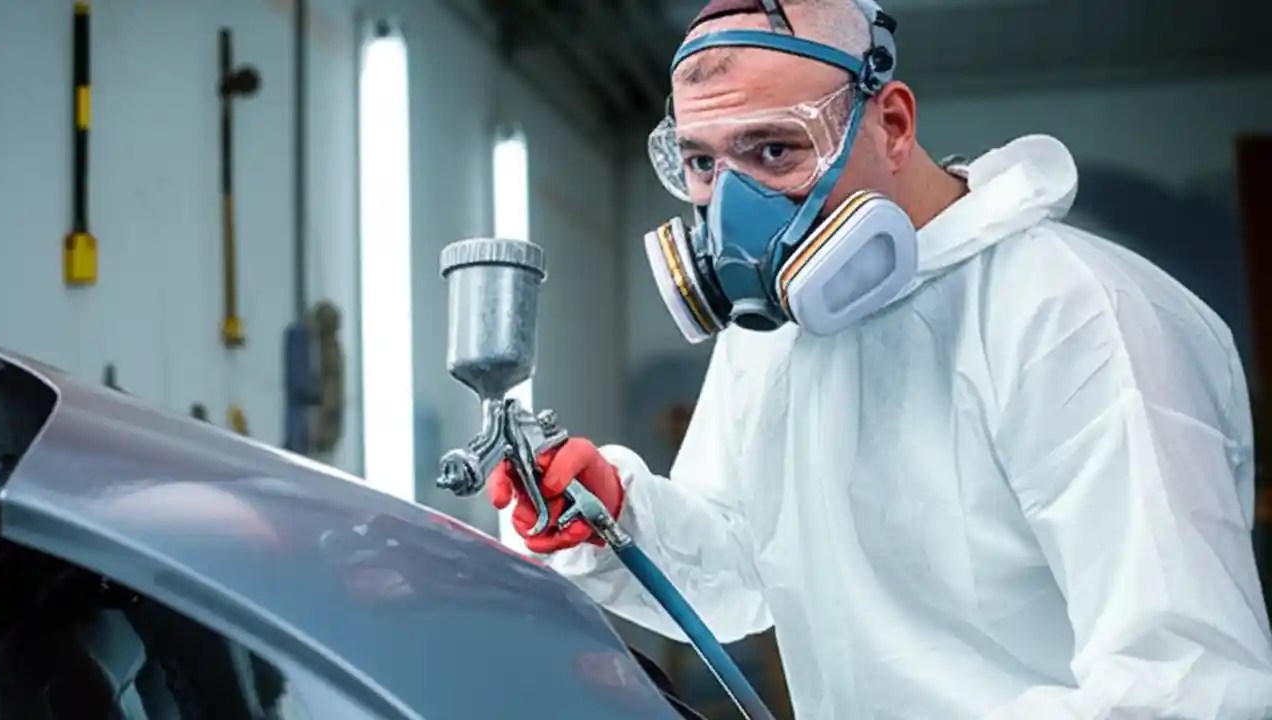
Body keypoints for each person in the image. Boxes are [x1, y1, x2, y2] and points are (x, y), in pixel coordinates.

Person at [488, 0, 1272, 716]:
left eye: (774, 148)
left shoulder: (1075, 317)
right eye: (703, 164)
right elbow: (746, 575)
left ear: (891, 124)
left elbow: (1185, 686)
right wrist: (614, 516)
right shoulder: (777, 329)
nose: (734, 214)